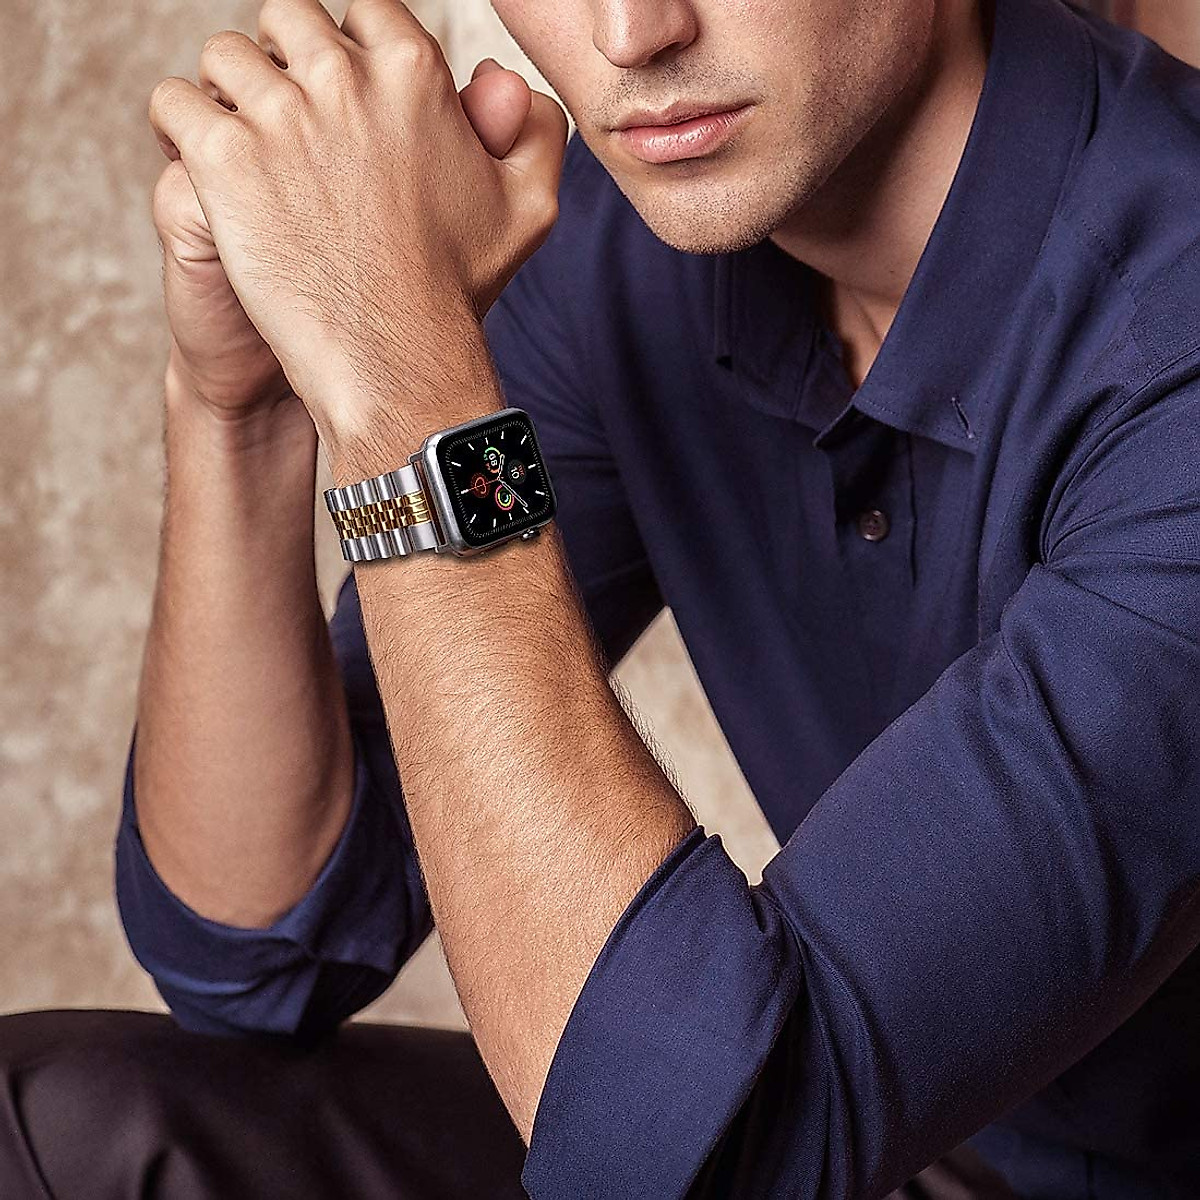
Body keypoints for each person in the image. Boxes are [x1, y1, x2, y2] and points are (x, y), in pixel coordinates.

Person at [4, 0, 1200, 1195]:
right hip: (863, 1145)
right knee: (56, 1118)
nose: (630, 34)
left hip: (836, 1146)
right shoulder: (623, 249)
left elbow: (702, 1159)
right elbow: (264, 946)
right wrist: (247, 409)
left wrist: (404, 392)